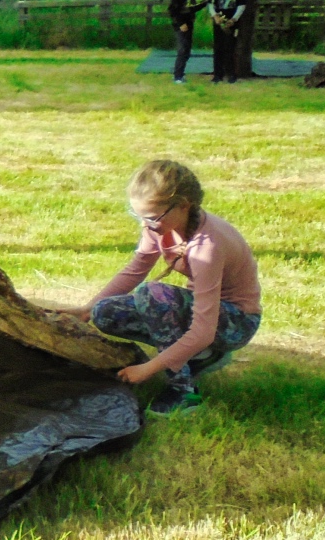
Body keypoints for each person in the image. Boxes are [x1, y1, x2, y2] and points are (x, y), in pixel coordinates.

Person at [78, 160, 261, 416]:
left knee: (151, 294)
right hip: (207, 317)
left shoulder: (206, 247)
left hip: (236, 322)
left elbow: (203, 331)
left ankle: (184, 392)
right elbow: (137, 268)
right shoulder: (162, 225)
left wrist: (149, 368)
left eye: (151, 218)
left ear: (184, 205)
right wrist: (87, 310)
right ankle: (199, 357)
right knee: (105, 312)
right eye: (138, 216)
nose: (145, 226)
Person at [167, 0, 206, 84]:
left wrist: (205, 2)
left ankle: (180, 73)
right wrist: (180, 23)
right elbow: (172, 10)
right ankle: (177, 76)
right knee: (183, 50)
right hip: (181, 26)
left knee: (187, 51)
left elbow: (192, 8)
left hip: (189, 24)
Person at [208, 0, 247, 83]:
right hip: (219, 21)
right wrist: (215, 16)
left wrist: (234, 19)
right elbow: (210, 3)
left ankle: (231, 74)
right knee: (218, 47)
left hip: (232, 22)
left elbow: (242, 5)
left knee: (231, 47)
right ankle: (217, 74)